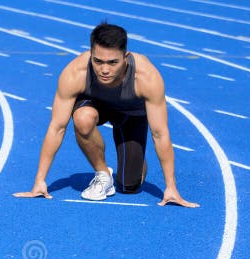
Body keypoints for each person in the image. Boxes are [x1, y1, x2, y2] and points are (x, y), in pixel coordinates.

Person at [14, 22, 199, 207]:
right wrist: (39, 181)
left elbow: (160, 133)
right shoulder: (75, 73)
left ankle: (137, 162)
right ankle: (103, 174)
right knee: (82, 119)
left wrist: (171, 187)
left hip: (131, 113)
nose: (104, 70)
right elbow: (57, 127)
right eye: (98, 61)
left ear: (125, 57)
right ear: (91, 55)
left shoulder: (146, 78)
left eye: (112, 62)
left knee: (129, 186)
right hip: (95, 106)